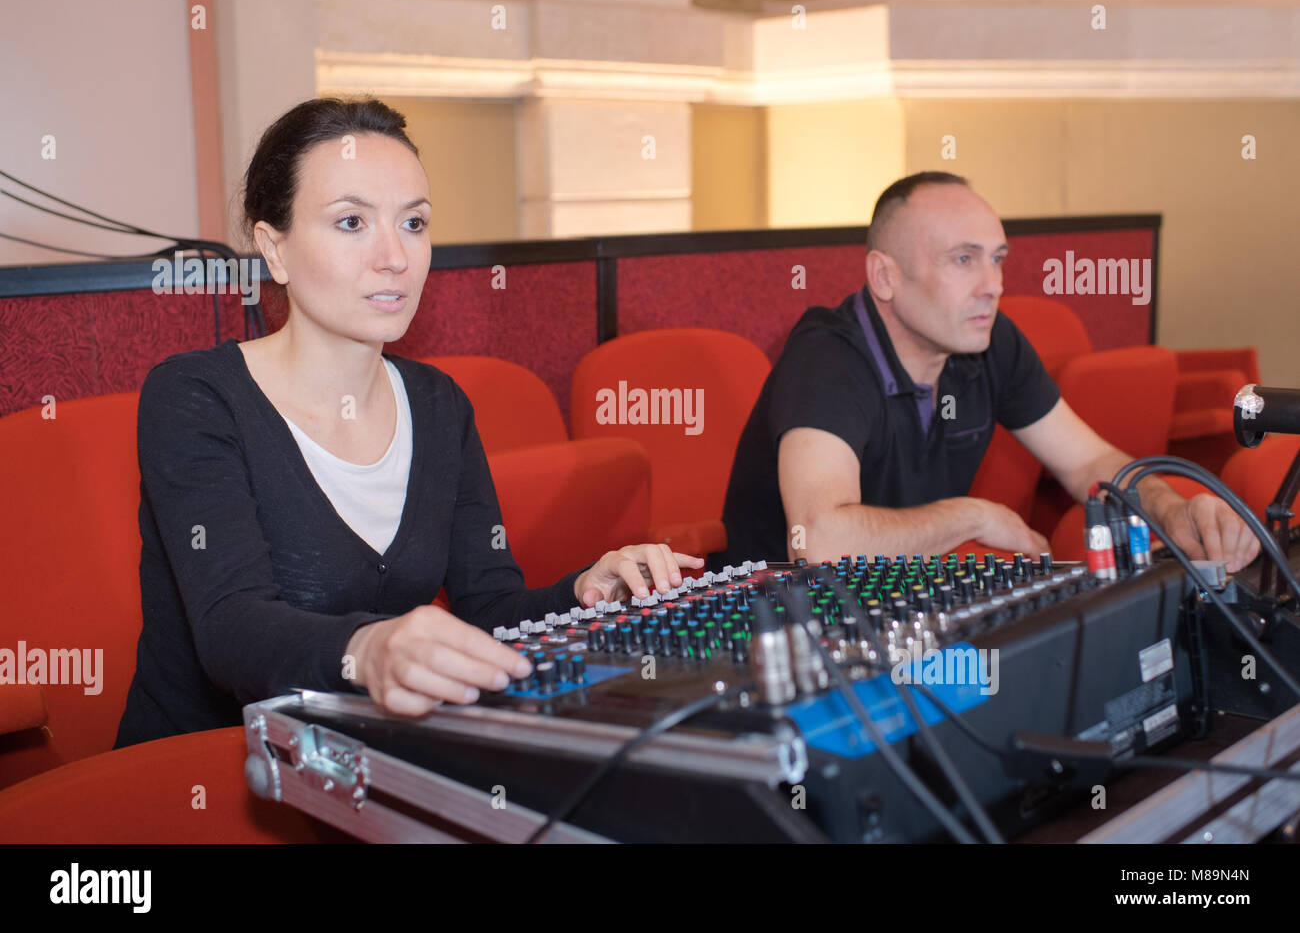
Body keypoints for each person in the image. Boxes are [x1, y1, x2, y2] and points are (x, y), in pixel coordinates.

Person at [115, 98, 701, 747]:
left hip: (365, 764)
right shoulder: (195, 397)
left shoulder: (439, 405)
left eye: (414, 223)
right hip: (201, 773)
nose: (394, 256)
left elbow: (493, 612)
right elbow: (231, 630)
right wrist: (368, 649)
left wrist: (587, 592)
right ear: (273, 250)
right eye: (351, 222)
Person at [715, 171, 1259, 573]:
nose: (992, 284)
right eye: (963, 259)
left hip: (904, 602)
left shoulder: (987, 338)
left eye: (997, 258)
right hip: (781, 630)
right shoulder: (826, 359)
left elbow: (1088, 461)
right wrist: (971, 518)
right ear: (885, 276)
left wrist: (1173, 509)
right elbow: (819, 541)